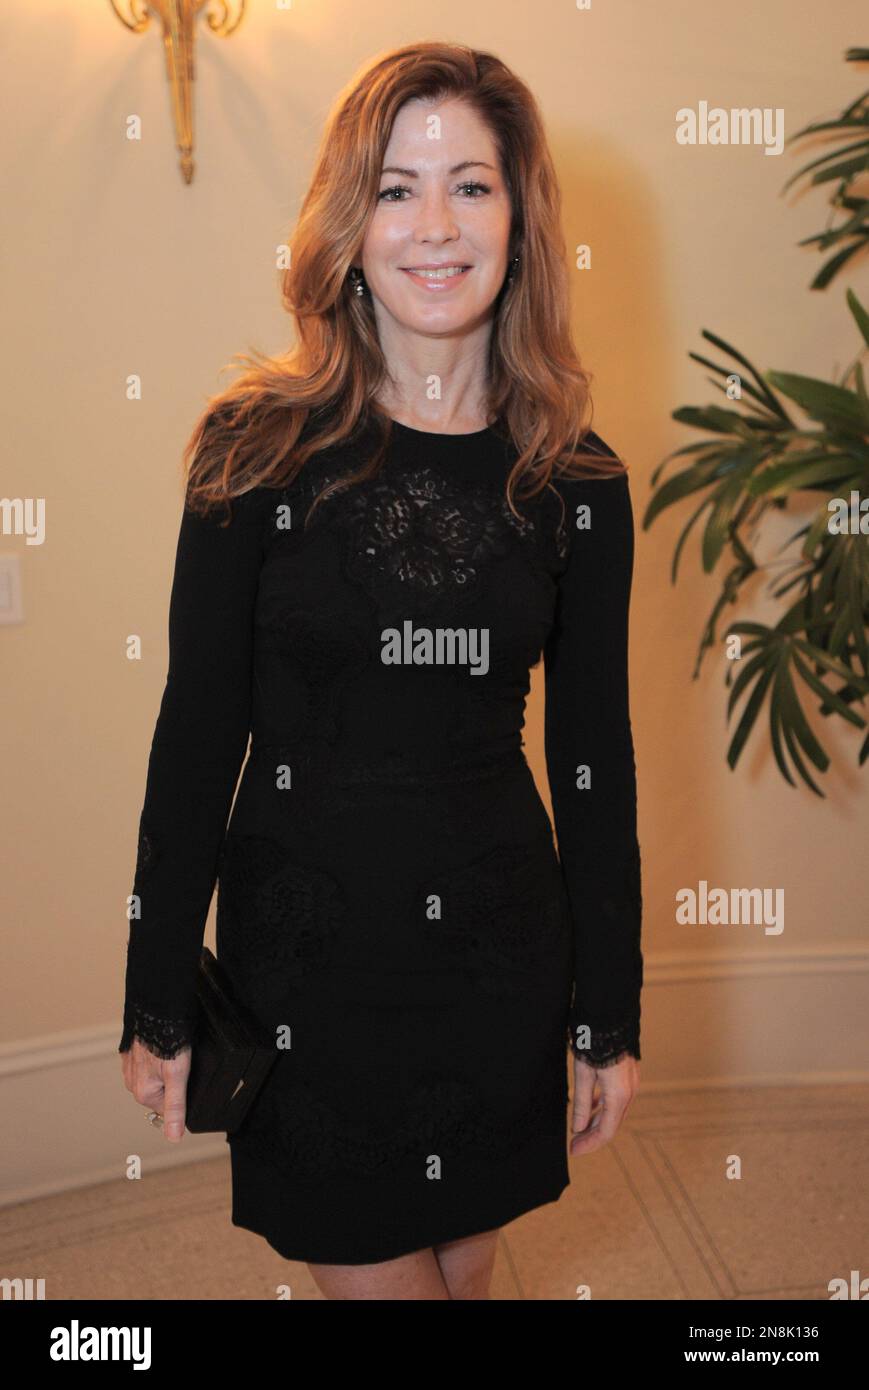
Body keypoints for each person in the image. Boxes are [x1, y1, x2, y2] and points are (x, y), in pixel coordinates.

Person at [119, 40, 643, 1301]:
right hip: (307, 974)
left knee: (464, 1270)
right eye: (395, 189)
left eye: (470, 184)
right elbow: (197, 734)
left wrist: (607, 1012)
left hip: (497, 962)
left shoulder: (578, 484)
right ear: (348, 226)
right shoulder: (254, 453)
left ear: (519, 218)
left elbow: (592, 761)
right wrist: (155, 993)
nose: (433, 226)